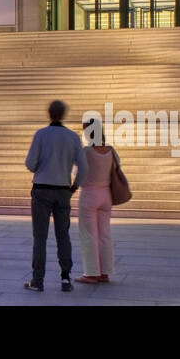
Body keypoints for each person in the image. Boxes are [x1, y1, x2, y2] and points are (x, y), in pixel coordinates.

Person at [23, 99, 87, 292]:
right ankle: (66, 278)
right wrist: (74, 187)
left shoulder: (41, 134)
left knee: (40, 237)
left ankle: (38, 280)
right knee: (63, 236)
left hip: (42, 189)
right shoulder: (73, 137)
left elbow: (30, 164)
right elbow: (83, 167)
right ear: (64, 114)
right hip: (62, 190)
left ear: (49, 113)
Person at [76, 117, 117, 284]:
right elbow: (115, 169)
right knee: (105, 234)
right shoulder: (111, 150)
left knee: (88, 235)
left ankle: (91, 273)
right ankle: (105, 272)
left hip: (89, 195)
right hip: (106, 195)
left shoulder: (87, 152)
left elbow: (79, 173)